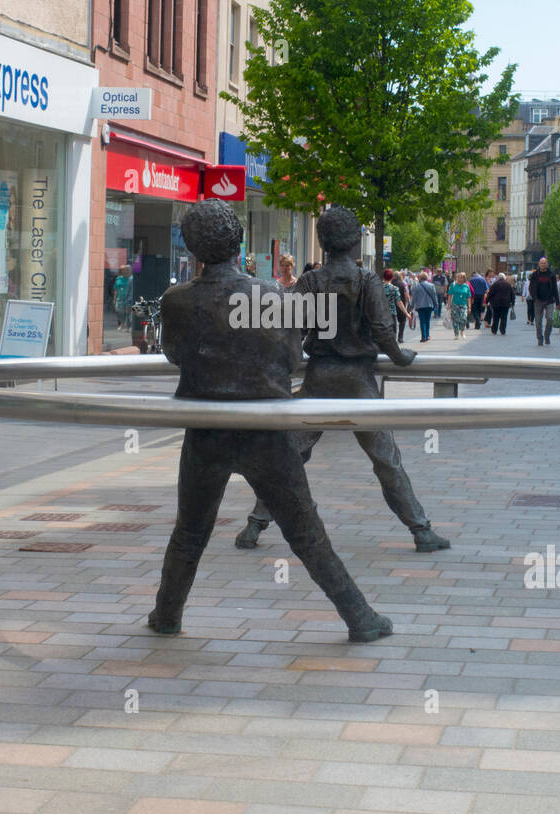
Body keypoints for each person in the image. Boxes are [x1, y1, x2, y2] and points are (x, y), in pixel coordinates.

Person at [153, 200, 392, 643]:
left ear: (192, 250)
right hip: (267, 427)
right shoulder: (272, 297)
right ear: (239, 241)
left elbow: (175, 355)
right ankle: (360, 617)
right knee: (306, 531)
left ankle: (167, 615)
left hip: (205, 428)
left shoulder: (176, 301)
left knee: (190, 529)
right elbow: (289, 358)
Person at [235, 206, 450, 556]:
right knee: (385, 459)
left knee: (291, 454)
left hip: (320, 377)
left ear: (321, 240)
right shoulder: (367, 282)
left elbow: (287, 327)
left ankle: (254, 526)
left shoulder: (310, 281)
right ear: (354, 242)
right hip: (358, 381)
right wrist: (399, 357)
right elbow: (382, 329)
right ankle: (421, 530)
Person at [529, 257, 559, 346]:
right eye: (541, 263)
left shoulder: (551, 275)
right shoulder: (535, 275)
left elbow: (555, 289)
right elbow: (530, 287)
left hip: (549, 300)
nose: (543, 264)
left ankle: (547, 335)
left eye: (544, 263)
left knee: (550, 318)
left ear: (547, 264)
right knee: (538, 322)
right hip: (538, 301)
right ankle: (540, 338)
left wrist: (557, 302)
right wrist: (534, 297)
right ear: (539, 264)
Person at [411, 270, 438, 342]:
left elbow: (414, 297)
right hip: (429, 305)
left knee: (422, 321)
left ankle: (423, 336)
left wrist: (411, 306)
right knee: (427, 321)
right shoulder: (431, 285)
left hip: (420, 306)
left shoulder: (416, 286)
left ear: (420, 277)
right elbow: (434, 296)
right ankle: (428, 335)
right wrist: (436, 303)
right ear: (426, 277)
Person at [446, 272, 472, 337]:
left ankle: (462, 331)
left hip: (463, 305)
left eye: (461, 277)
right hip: (455, 304)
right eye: (458, 277)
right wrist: (448, 305)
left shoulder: (466, 286)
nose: (459, 278)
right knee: (455, 319)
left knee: (464, 319)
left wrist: (469, 306)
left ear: (464, 278)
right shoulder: (453, 285)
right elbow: (450, 295)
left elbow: (468, 297)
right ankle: (456, 333)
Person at [112, 264, 133, 328]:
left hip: (129, 298)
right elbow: (116, 289)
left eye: (127, 270)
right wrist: (114, 299)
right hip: (120, 298)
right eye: (123, 270)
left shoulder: (131, 278)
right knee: (119, 311)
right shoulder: (119, 279)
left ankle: (127, 325)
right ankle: (122, 323)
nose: (125, 271)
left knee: (128, 312)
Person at [393, 270, 410, 342]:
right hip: (401, 304)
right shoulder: (402, 284)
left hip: (392, 305)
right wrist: (406, 303)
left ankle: (393, 337)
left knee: (393, 322)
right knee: (402, 321)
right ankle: (400, 337)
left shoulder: (390, 283)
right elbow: (406, 296)